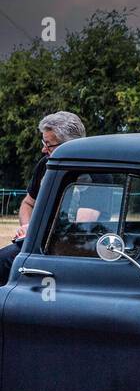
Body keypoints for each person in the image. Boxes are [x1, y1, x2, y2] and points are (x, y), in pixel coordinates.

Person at [0, 111, 87, 280]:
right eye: (43, 142)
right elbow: (28, 203)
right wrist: (27, 228)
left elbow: (82, 228)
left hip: (69, 250)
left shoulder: (95, 173)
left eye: (48, 144)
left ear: (68, 145)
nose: (43, 149)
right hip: (39, 243)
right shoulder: (45, 164)